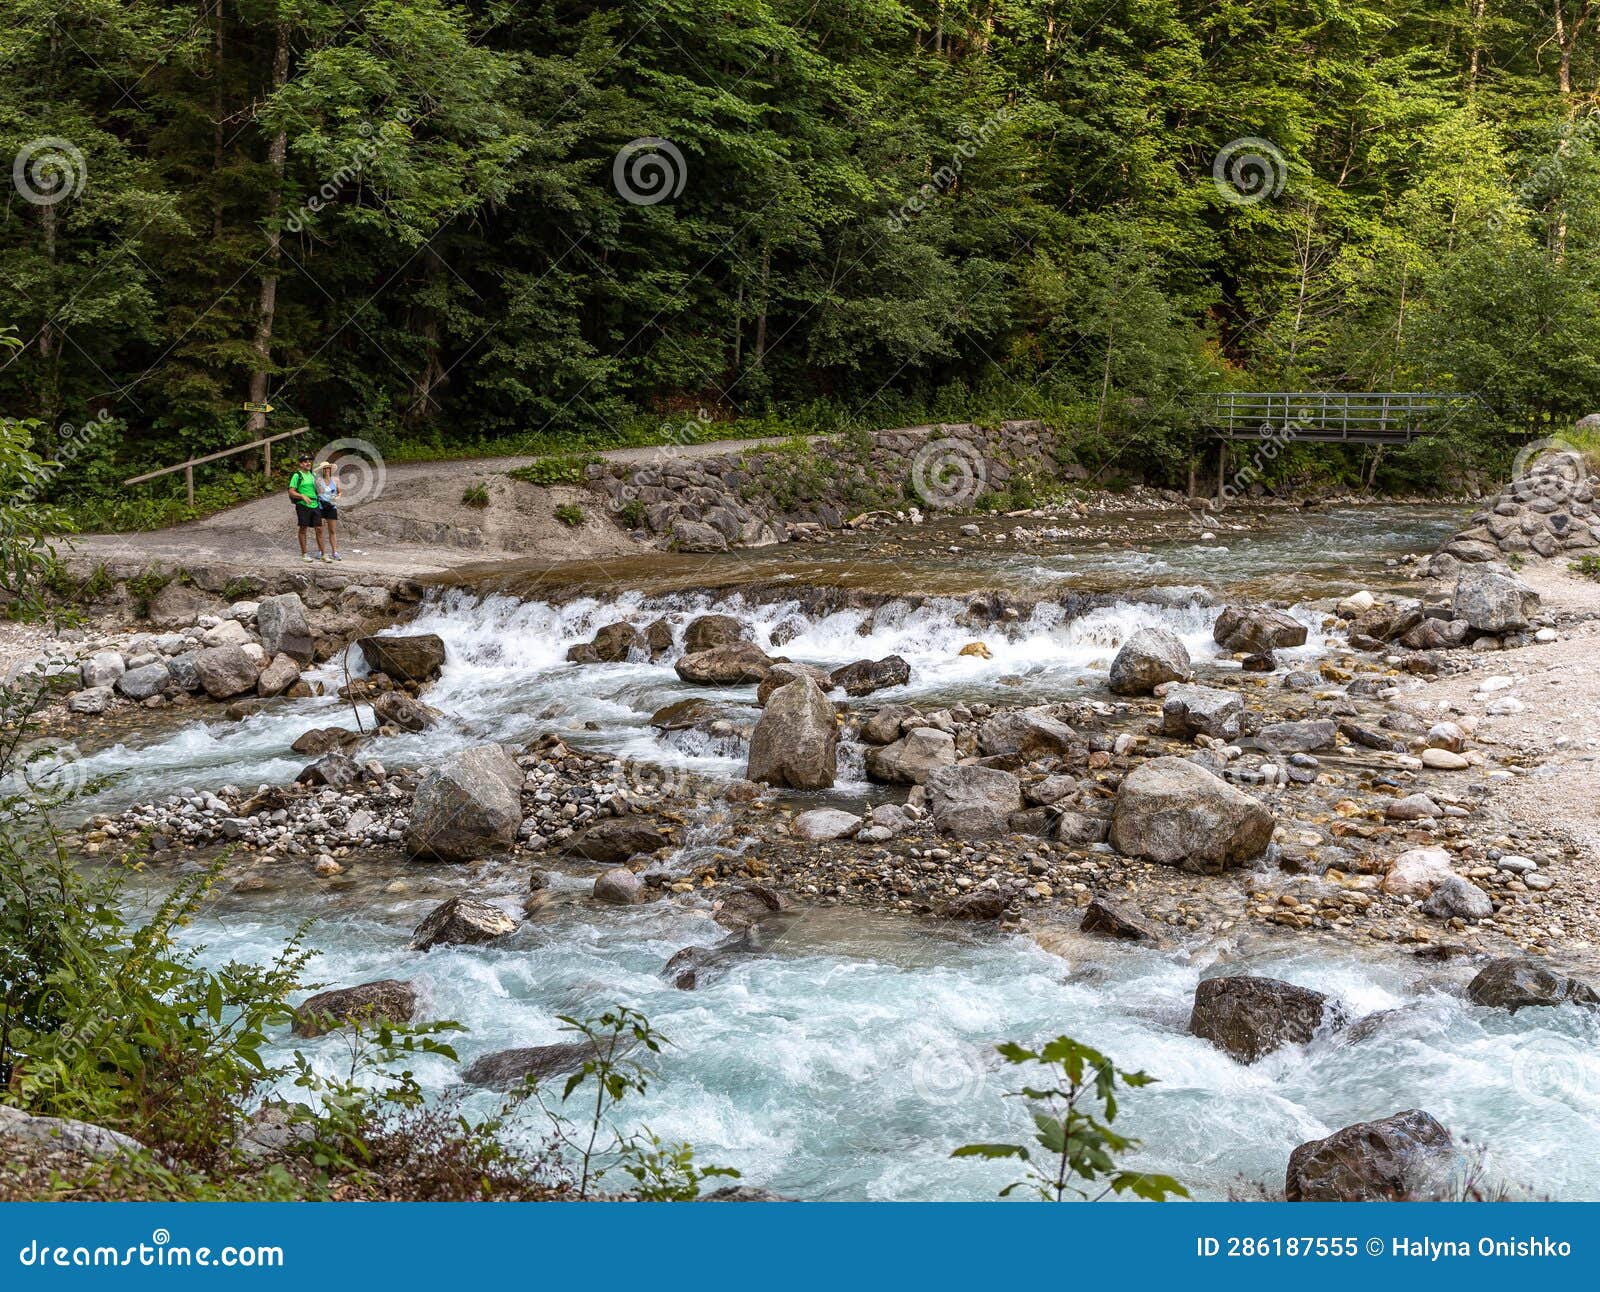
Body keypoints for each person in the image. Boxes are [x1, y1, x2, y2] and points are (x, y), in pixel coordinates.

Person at [288, 452, 327, 562]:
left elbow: (320, 490)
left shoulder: (313, 475)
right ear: (300, 464)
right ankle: (304, 554)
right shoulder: (297, 475)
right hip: (303, 505)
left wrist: (321, 486)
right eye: (305, 461)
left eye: (309, 461)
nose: (308, 463)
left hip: (315, 504)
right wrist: (302, 496)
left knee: (319, 528)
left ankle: (323, 554)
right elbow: (291, 491)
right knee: (303, 528)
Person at [317, 461, 343, 561]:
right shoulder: (318, 481)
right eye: (325, 468)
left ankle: (334, 552)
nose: (327, 470)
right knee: (320, 530)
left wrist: (337, 497)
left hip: (332, 507)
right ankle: (321, 551)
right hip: (321, 506)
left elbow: (340, 492)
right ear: (321, 470)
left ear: (330, 469)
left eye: (328, 468)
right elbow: (316, 493)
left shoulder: (335, 480)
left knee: (332, 530)